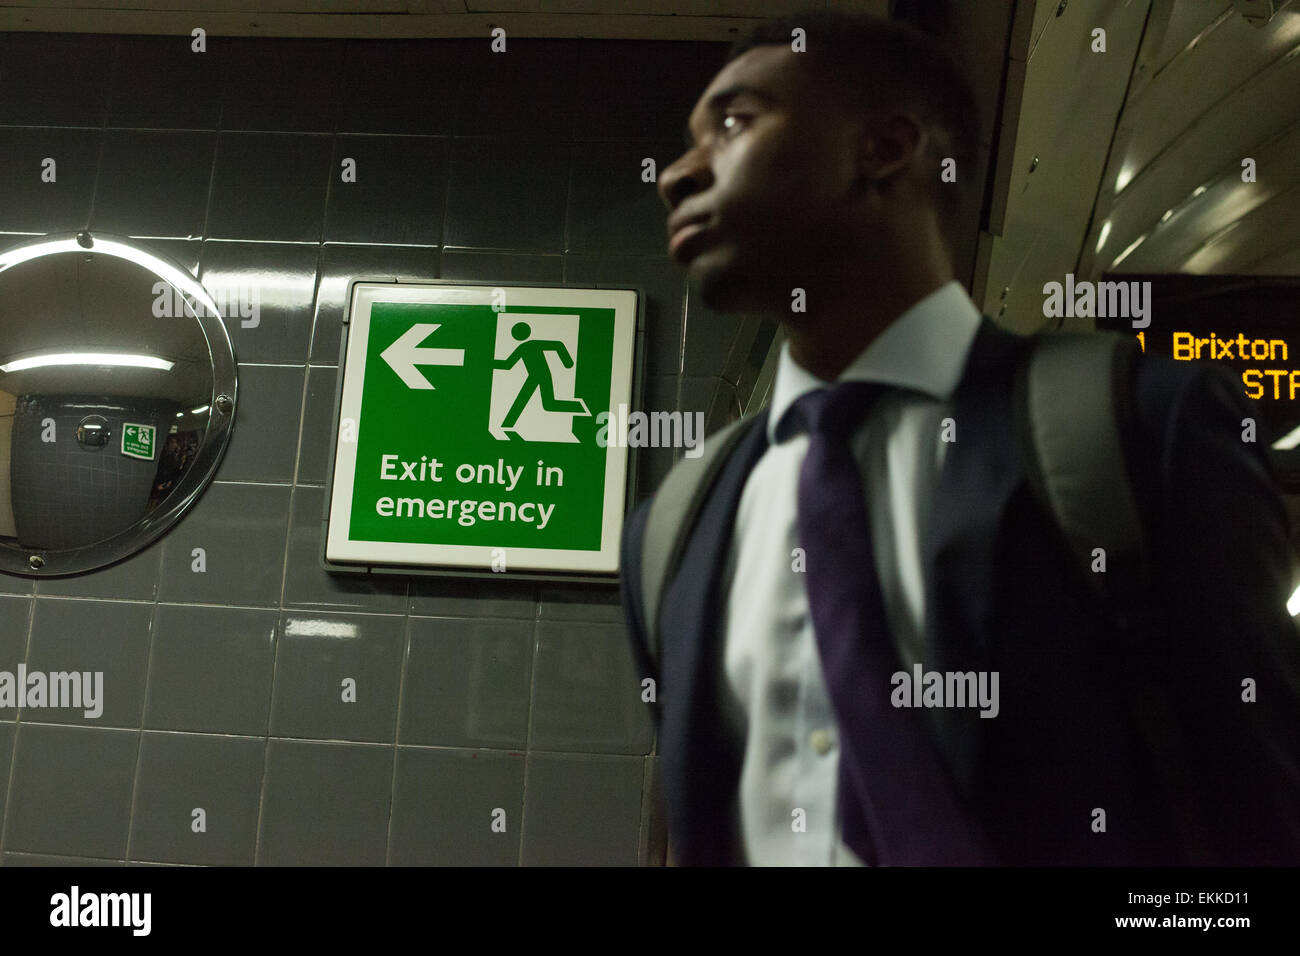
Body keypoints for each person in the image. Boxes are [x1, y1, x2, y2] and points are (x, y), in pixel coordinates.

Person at [618, 9, 1300, 866]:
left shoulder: (1127, 429)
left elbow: (1262, 815)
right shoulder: (673, 531)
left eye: (732, 124)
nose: (677, 174)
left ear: (885, 148)